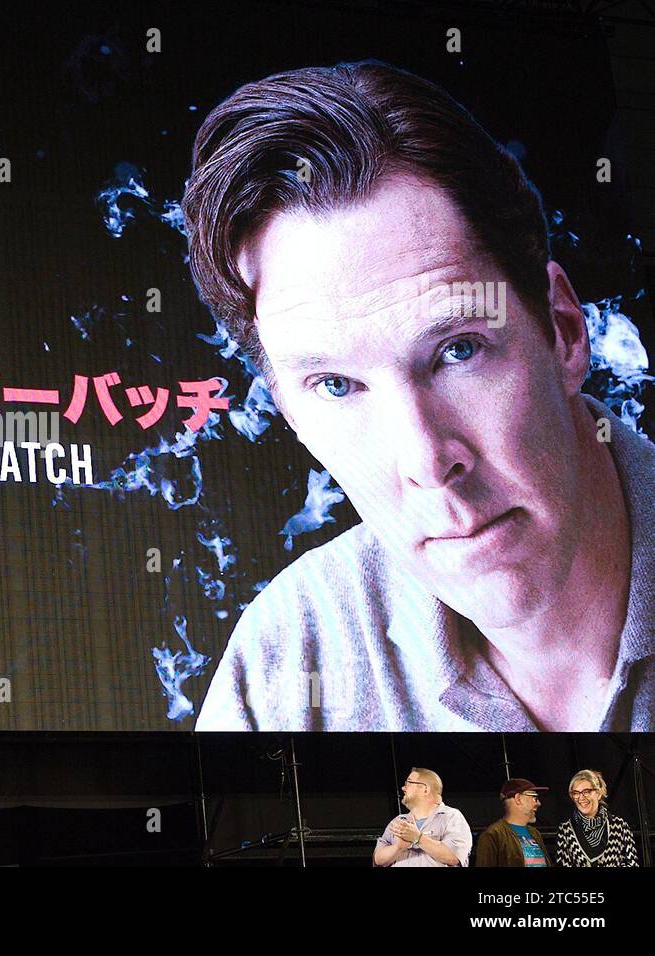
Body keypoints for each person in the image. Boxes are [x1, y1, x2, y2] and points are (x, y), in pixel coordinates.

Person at [185, 59, 655, 732]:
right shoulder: (284, 667)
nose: (428, 462)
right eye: (338, 386)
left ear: (564, 332)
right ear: (290, 416)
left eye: (458, 351)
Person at [373, 767, 471, 867]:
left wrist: (418, 838)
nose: (403, 788)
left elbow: (454, 857)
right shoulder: (398, 821)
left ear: (425, 789)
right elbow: (378, 859)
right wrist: (398, 847)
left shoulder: (451, 817)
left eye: (409, 783)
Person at [556, 769, 640, 867]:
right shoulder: (566, 830)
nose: (581, 798)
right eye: (576, 793)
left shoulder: (619, 826)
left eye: (586, 792)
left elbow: (632, 864)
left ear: (599, 793)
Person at [476, 778, 551, 867]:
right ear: (518, 798)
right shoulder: (493, 835)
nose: (538, 803)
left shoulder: (535, 833)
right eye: (534, 797)